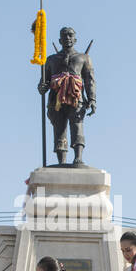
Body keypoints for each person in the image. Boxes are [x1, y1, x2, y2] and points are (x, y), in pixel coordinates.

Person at [37, 26, 96, 167]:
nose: (67, 38)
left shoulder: (83, 58)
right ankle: (61, 161)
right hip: (56, 99)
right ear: (59, 40)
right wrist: (42, 88)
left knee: (77, 125)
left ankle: (78, 157)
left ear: (75, 39)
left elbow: (89, 80)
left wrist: (92, 99)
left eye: (70, 35)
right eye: (64, 36)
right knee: (59, 128)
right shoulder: (51, 59)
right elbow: (43, 83)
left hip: (77, 98)